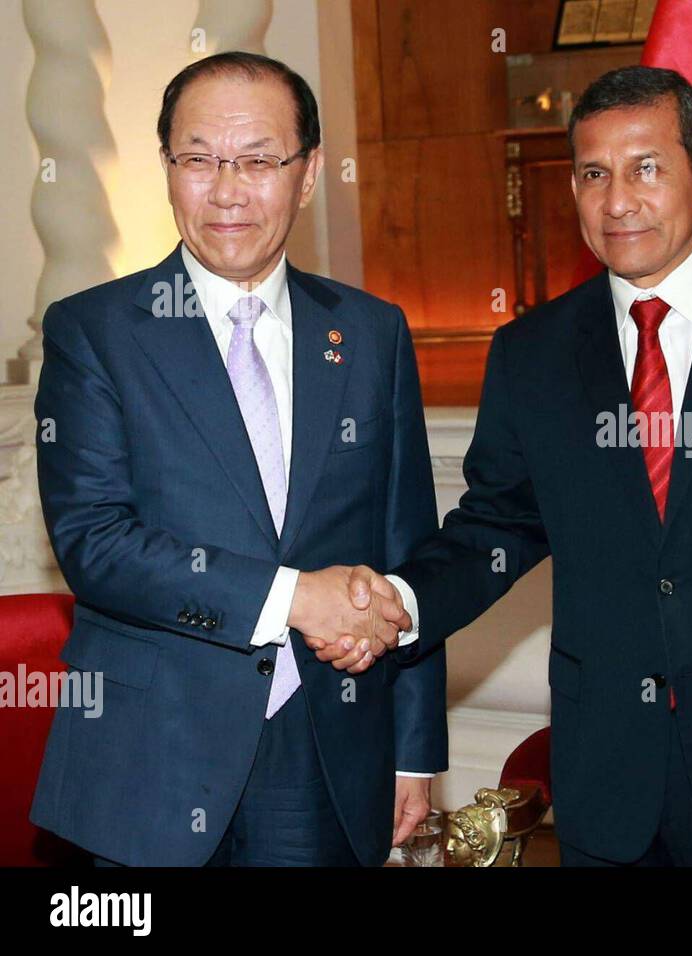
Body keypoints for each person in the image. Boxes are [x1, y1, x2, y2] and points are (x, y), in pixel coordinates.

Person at [329, 66, 692, 866]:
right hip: (609, 775)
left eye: (646, 168)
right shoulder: (532, 352)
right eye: (594, 174)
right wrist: (397, 598)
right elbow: (497, 526)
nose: (617, 201)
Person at [30, 52, 445, 866]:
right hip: (153, 756)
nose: (227, 191)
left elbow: (409, 550)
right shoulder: (97, 331)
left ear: (309, 172)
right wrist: (293, 598)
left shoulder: (370, 333)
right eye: (199, 160)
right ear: (167, 168)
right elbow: (95, 543)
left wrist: (414, 747)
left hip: (327, 752)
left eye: (258, 160)